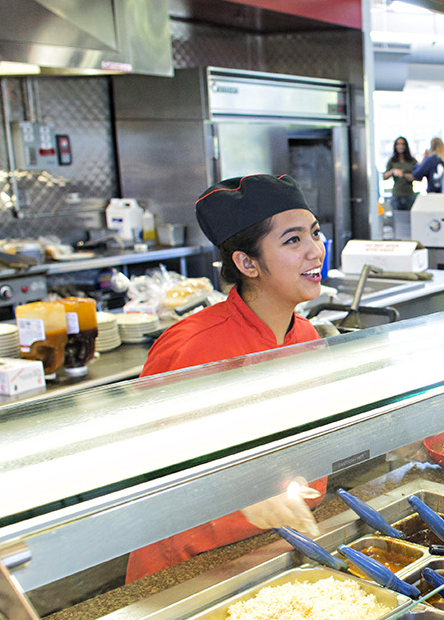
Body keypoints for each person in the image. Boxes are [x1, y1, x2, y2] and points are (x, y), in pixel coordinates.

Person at [126, 173, 326, 583]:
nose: (316, 251)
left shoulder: (305, 338)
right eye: (293, 240)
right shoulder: (190, 348)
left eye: (315, 234)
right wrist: (244, 506)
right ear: (247, 263)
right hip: (184, 573)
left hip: (275, 551)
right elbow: (146, 480)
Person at [382, 136, 418, 238]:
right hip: (397, 194)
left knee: (410, 221)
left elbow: (419, 176)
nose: (400, 146)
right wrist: (393, 171)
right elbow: (384, 176)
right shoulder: (392, 161)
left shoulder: (412, 161)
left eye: (402, 144)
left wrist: (410, 176)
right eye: (398, 144)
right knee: (397, 222)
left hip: (409, 194)